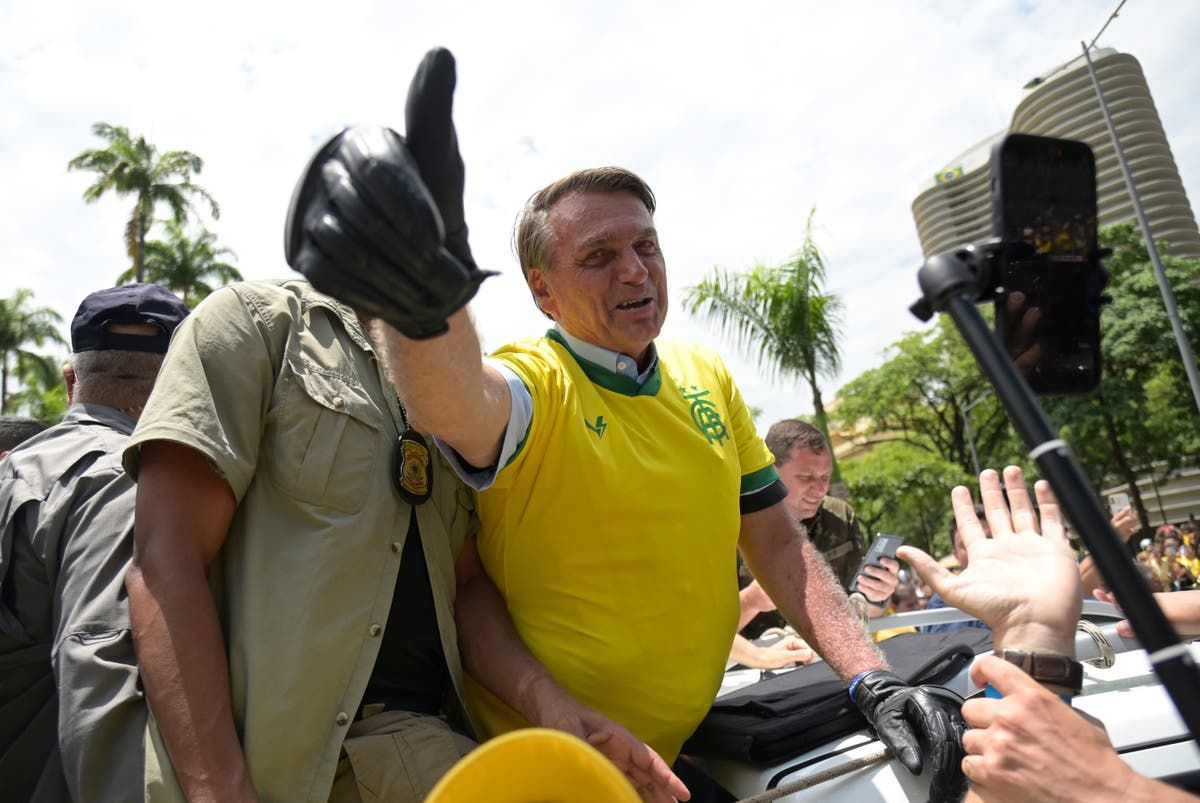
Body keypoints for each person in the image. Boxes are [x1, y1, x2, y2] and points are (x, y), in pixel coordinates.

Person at [284, 47, 968, 803]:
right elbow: (455, 403)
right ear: (543, 292)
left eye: (646, 245)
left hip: (668, 764)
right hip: (550, 775)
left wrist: (869, 676)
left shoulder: (707, 376)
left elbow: (776, 543)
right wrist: (424, 297)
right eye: (599, 255)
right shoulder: (539, 379)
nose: (636, 271)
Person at [123, 279, 479, 803]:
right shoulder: (257, 323)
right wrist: (217, 787)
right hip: (287, 774)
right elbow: (165, 563)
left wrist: (553, 706)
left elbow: (465, 589)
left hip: (436, 756)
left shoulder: (447, 383)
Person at [901, 466, 1196, 802]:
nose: (980, 549)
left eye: (988, 536)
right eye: (967, 543)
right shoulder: (941, 605)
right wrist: (1032, 632)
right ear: (957, 553)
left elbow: (1022, 775)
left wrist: (1101, 785)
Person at [0, 284, 189, 802]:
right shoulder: (124, 480)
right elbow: (98, 664)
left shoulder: (17, 467)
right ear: (184, 384)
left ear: (70, 380)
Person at [738, 420, 901, 638]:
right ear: (771, 471)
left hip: (833, 655)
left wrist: (879, 595)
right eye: (806, 477)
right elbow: (704, 630)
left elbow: (862, 610)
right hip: (755, 666)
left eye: (825, 477)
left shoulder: (840, 516)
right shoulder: (733, 528)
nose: (820, 489)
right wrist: (751, 601)